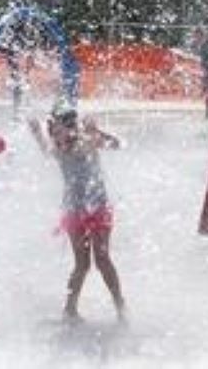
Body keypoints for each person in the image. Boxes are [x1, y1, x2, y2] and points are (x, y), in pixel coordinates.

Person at [28, 104, 126, 322]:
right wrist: (36, 132)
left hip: (97, 208)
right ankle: (70, 309)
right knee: (81, 264)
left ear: (70, 127)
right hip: (74, 211)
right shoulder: (57, 148)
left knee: (102, 259)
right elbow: (45, 149)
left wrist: (98, 132)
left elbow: (117, 144)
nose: (52, 131)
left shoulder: (86, 142)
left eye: (56, 126)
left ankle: (120, 305)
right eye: (51, 127)